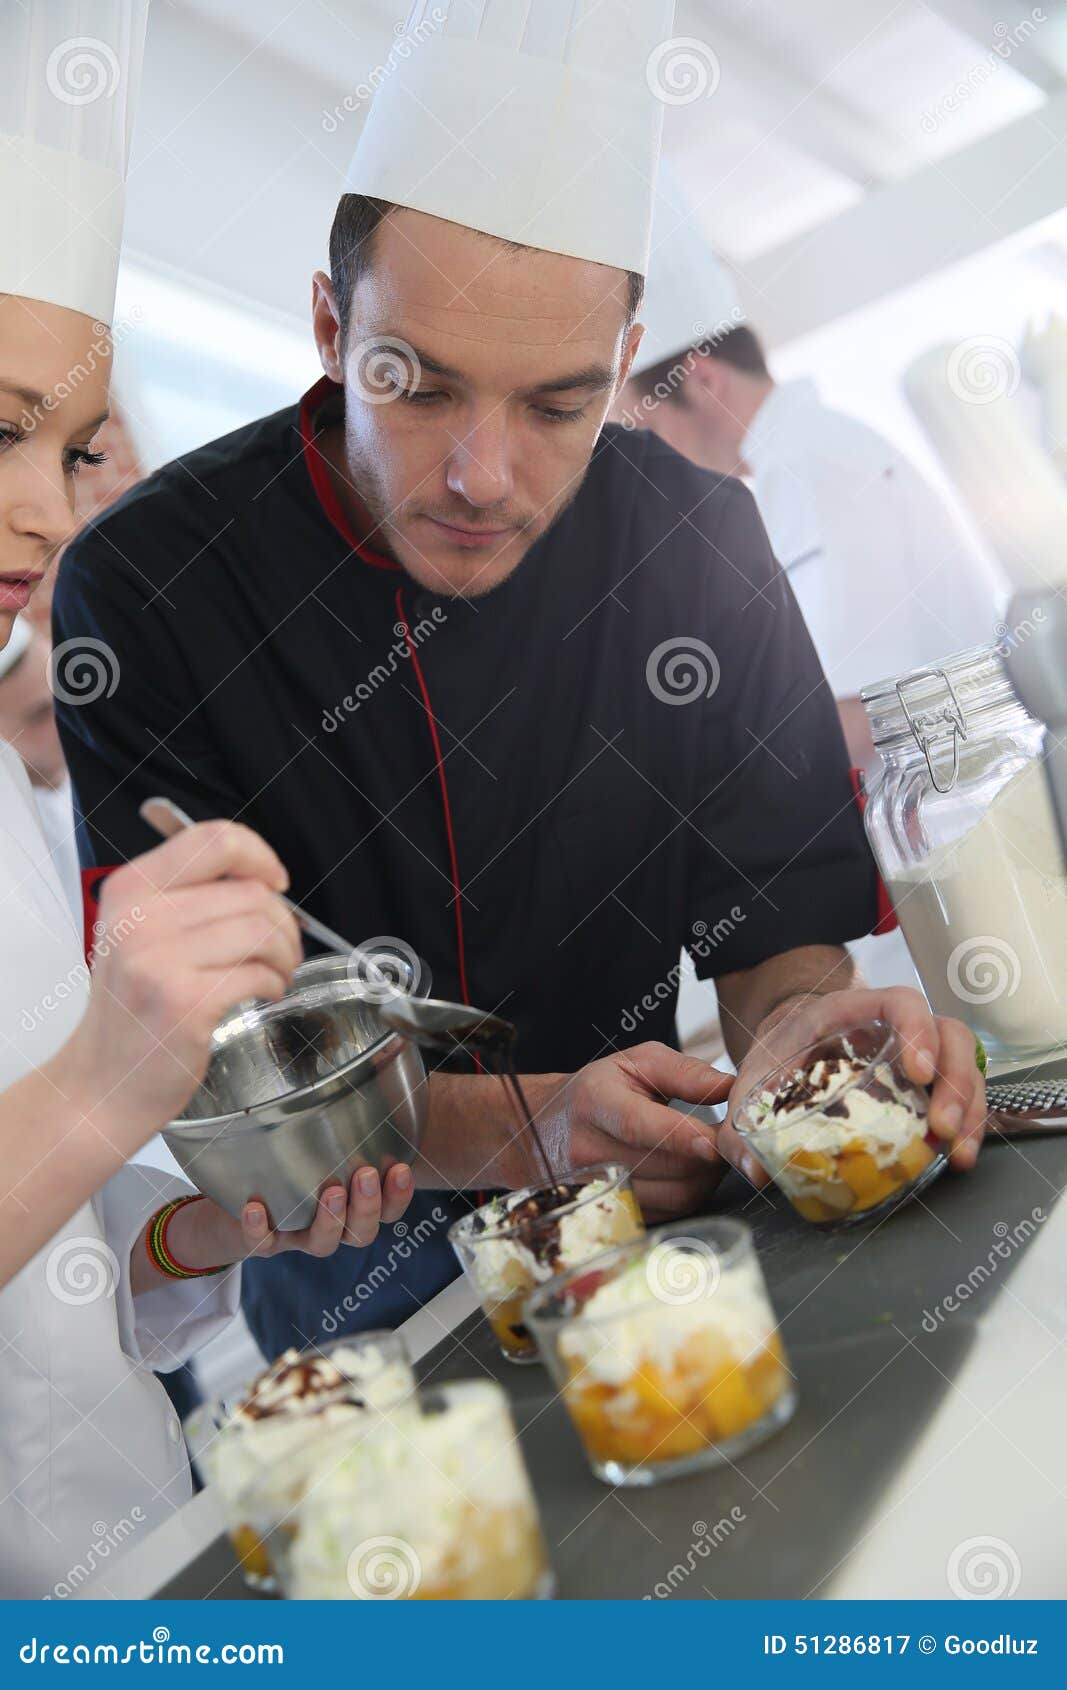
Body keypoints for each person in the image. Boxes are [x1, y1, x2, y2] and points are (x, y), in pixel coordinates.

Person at [53, 0, 986, 1364]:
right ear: (328, 323)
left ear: (623, 360)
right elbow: (206, 1058)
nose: (480, 477)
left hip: (669, 1244)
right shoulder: (147, 587)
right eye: (417, 387)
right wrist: (524, 1125)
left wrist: (806, 1039)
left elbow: (770, 933)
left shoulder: (695, 545)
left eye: (555, 406)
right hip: (353, 1306)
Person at [0, 0, 411, 1597]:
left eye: (76, 451)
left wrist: (238, 1217)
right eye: (1, 433)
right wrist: (111, 1076)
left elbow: (70, 1259)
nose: (47, 522)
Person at [619, 194, 1003, 774]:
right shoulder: (799, 468)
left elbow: (862, 715)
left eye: (645, 424)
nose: (649, 454)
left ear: (698, 380)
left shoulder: (822, 471)